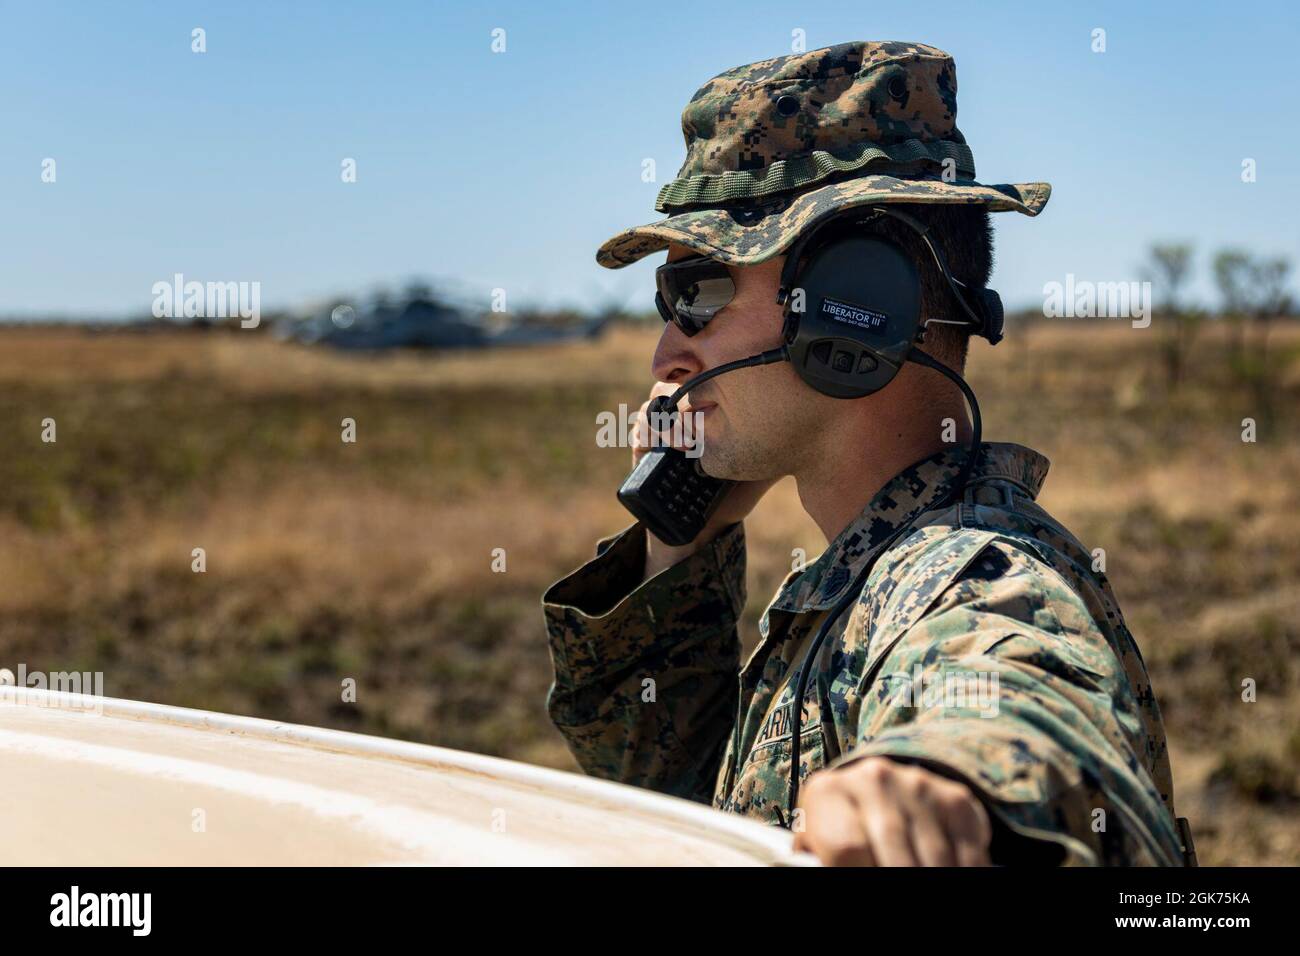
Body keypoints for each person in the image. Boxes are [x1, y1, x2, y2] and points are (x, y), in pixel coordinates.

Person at [542, 40, 1191, 866]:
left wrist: (937, 782)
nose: (664, 354)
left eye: (697, 292)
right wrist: (682, 544)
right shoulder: (853, 581)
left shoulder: (974, 576)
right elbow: (674, 822)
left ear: (854, 305)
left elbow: (1015, 693)